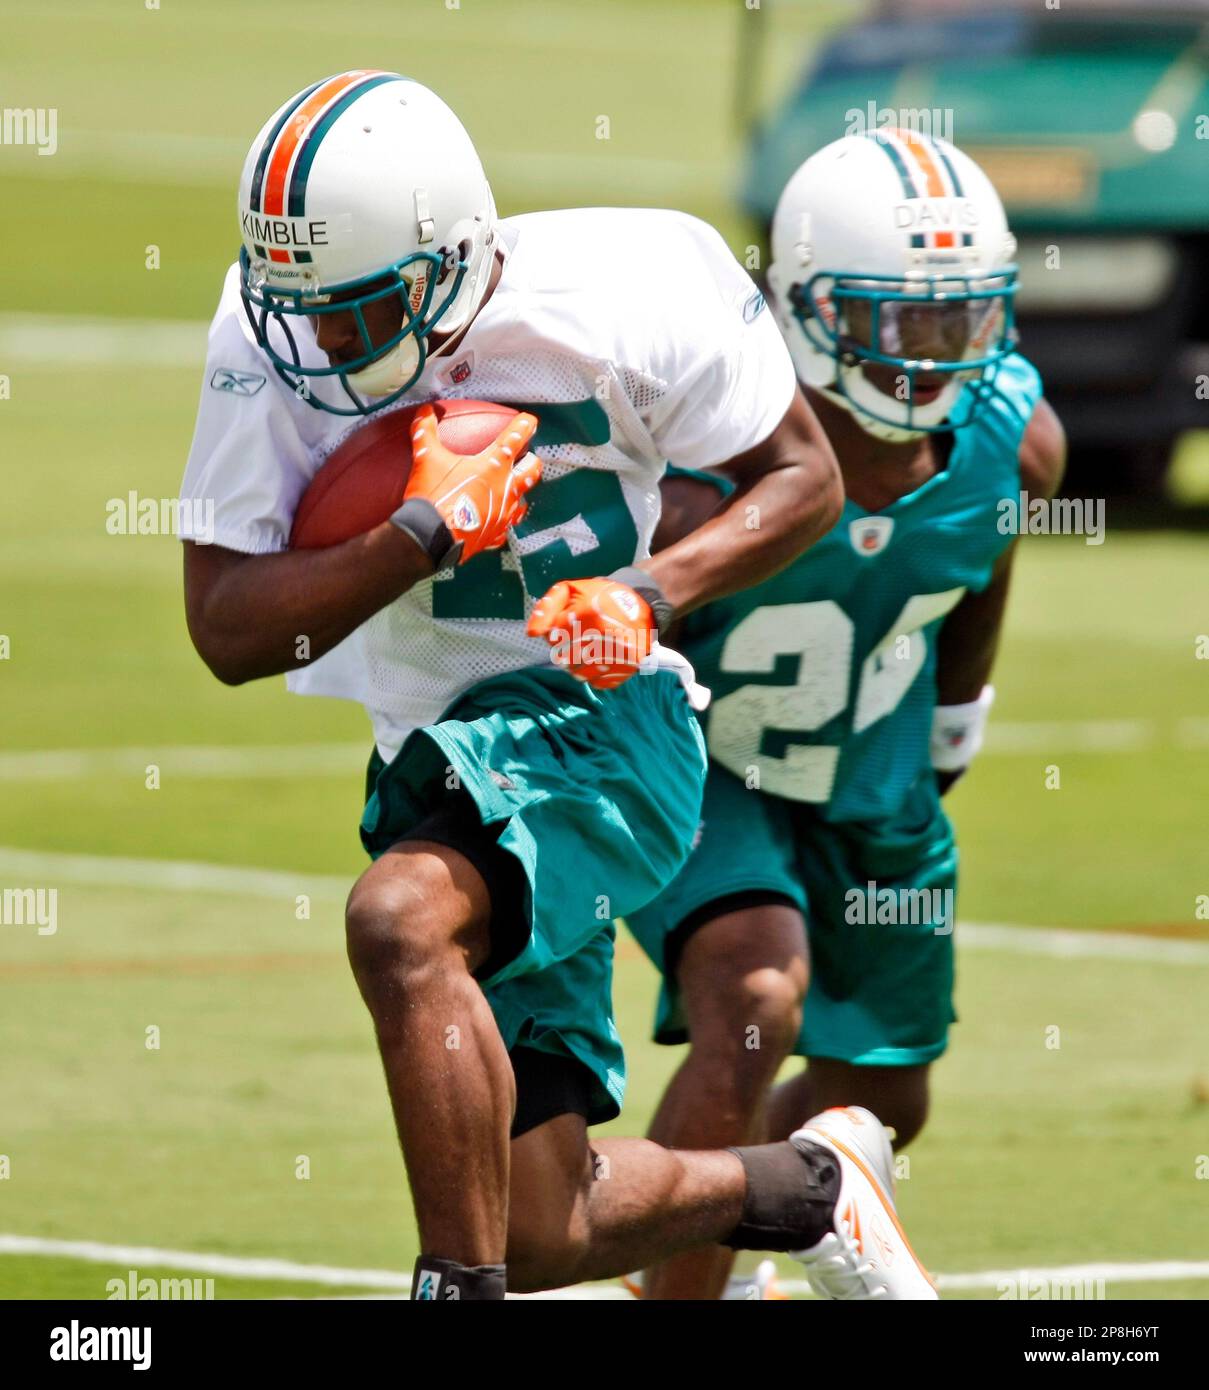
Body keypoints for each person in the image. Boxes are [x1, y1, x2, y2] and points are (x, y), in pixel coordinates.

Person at [178, 71, 935, 1299]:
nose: (319, 343)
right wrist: (421, 531)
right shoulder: (271, 333)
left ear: (451, 258)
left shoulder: (628, 290)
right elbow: (226, 628)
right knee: (544, 1229)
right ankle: (813, 1188)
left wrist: (654, 592)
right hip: (437, 753)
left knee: (398, 919)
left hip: (604, 722)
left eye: (358, 310)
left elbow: (803, 480)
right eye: (300, 308)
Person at [627, 129, 1066, 1299]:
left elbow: (980, 565)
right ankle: (682, 1279)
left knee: (883, 1096)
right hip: (711, 765)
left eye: (960, 319)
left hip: (875, 775)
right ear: (809, 309)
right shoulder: (715, 458)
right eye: (902, 322)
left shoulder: (1012, 442)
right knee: (753, 997)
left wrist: (958, 715)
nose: (933, 356)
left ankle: (732, 1213)